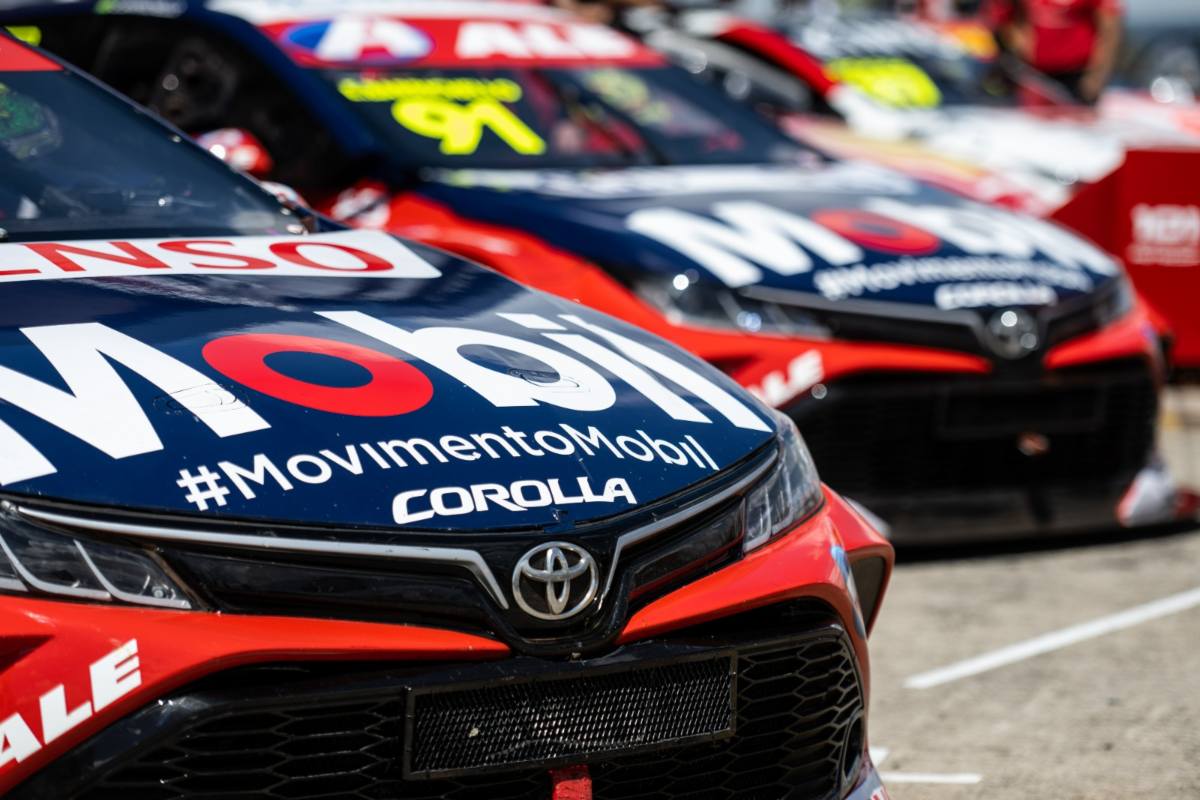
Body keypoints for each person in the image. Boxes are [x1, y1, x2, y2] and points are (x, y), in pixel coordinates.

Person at [982, 0, 1123, 103]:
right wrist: (1015, 39)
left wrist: (1097, 77)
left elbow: (1110, 31)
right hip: (1031, 75)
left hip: (1077, 76)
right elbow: (999, 19)